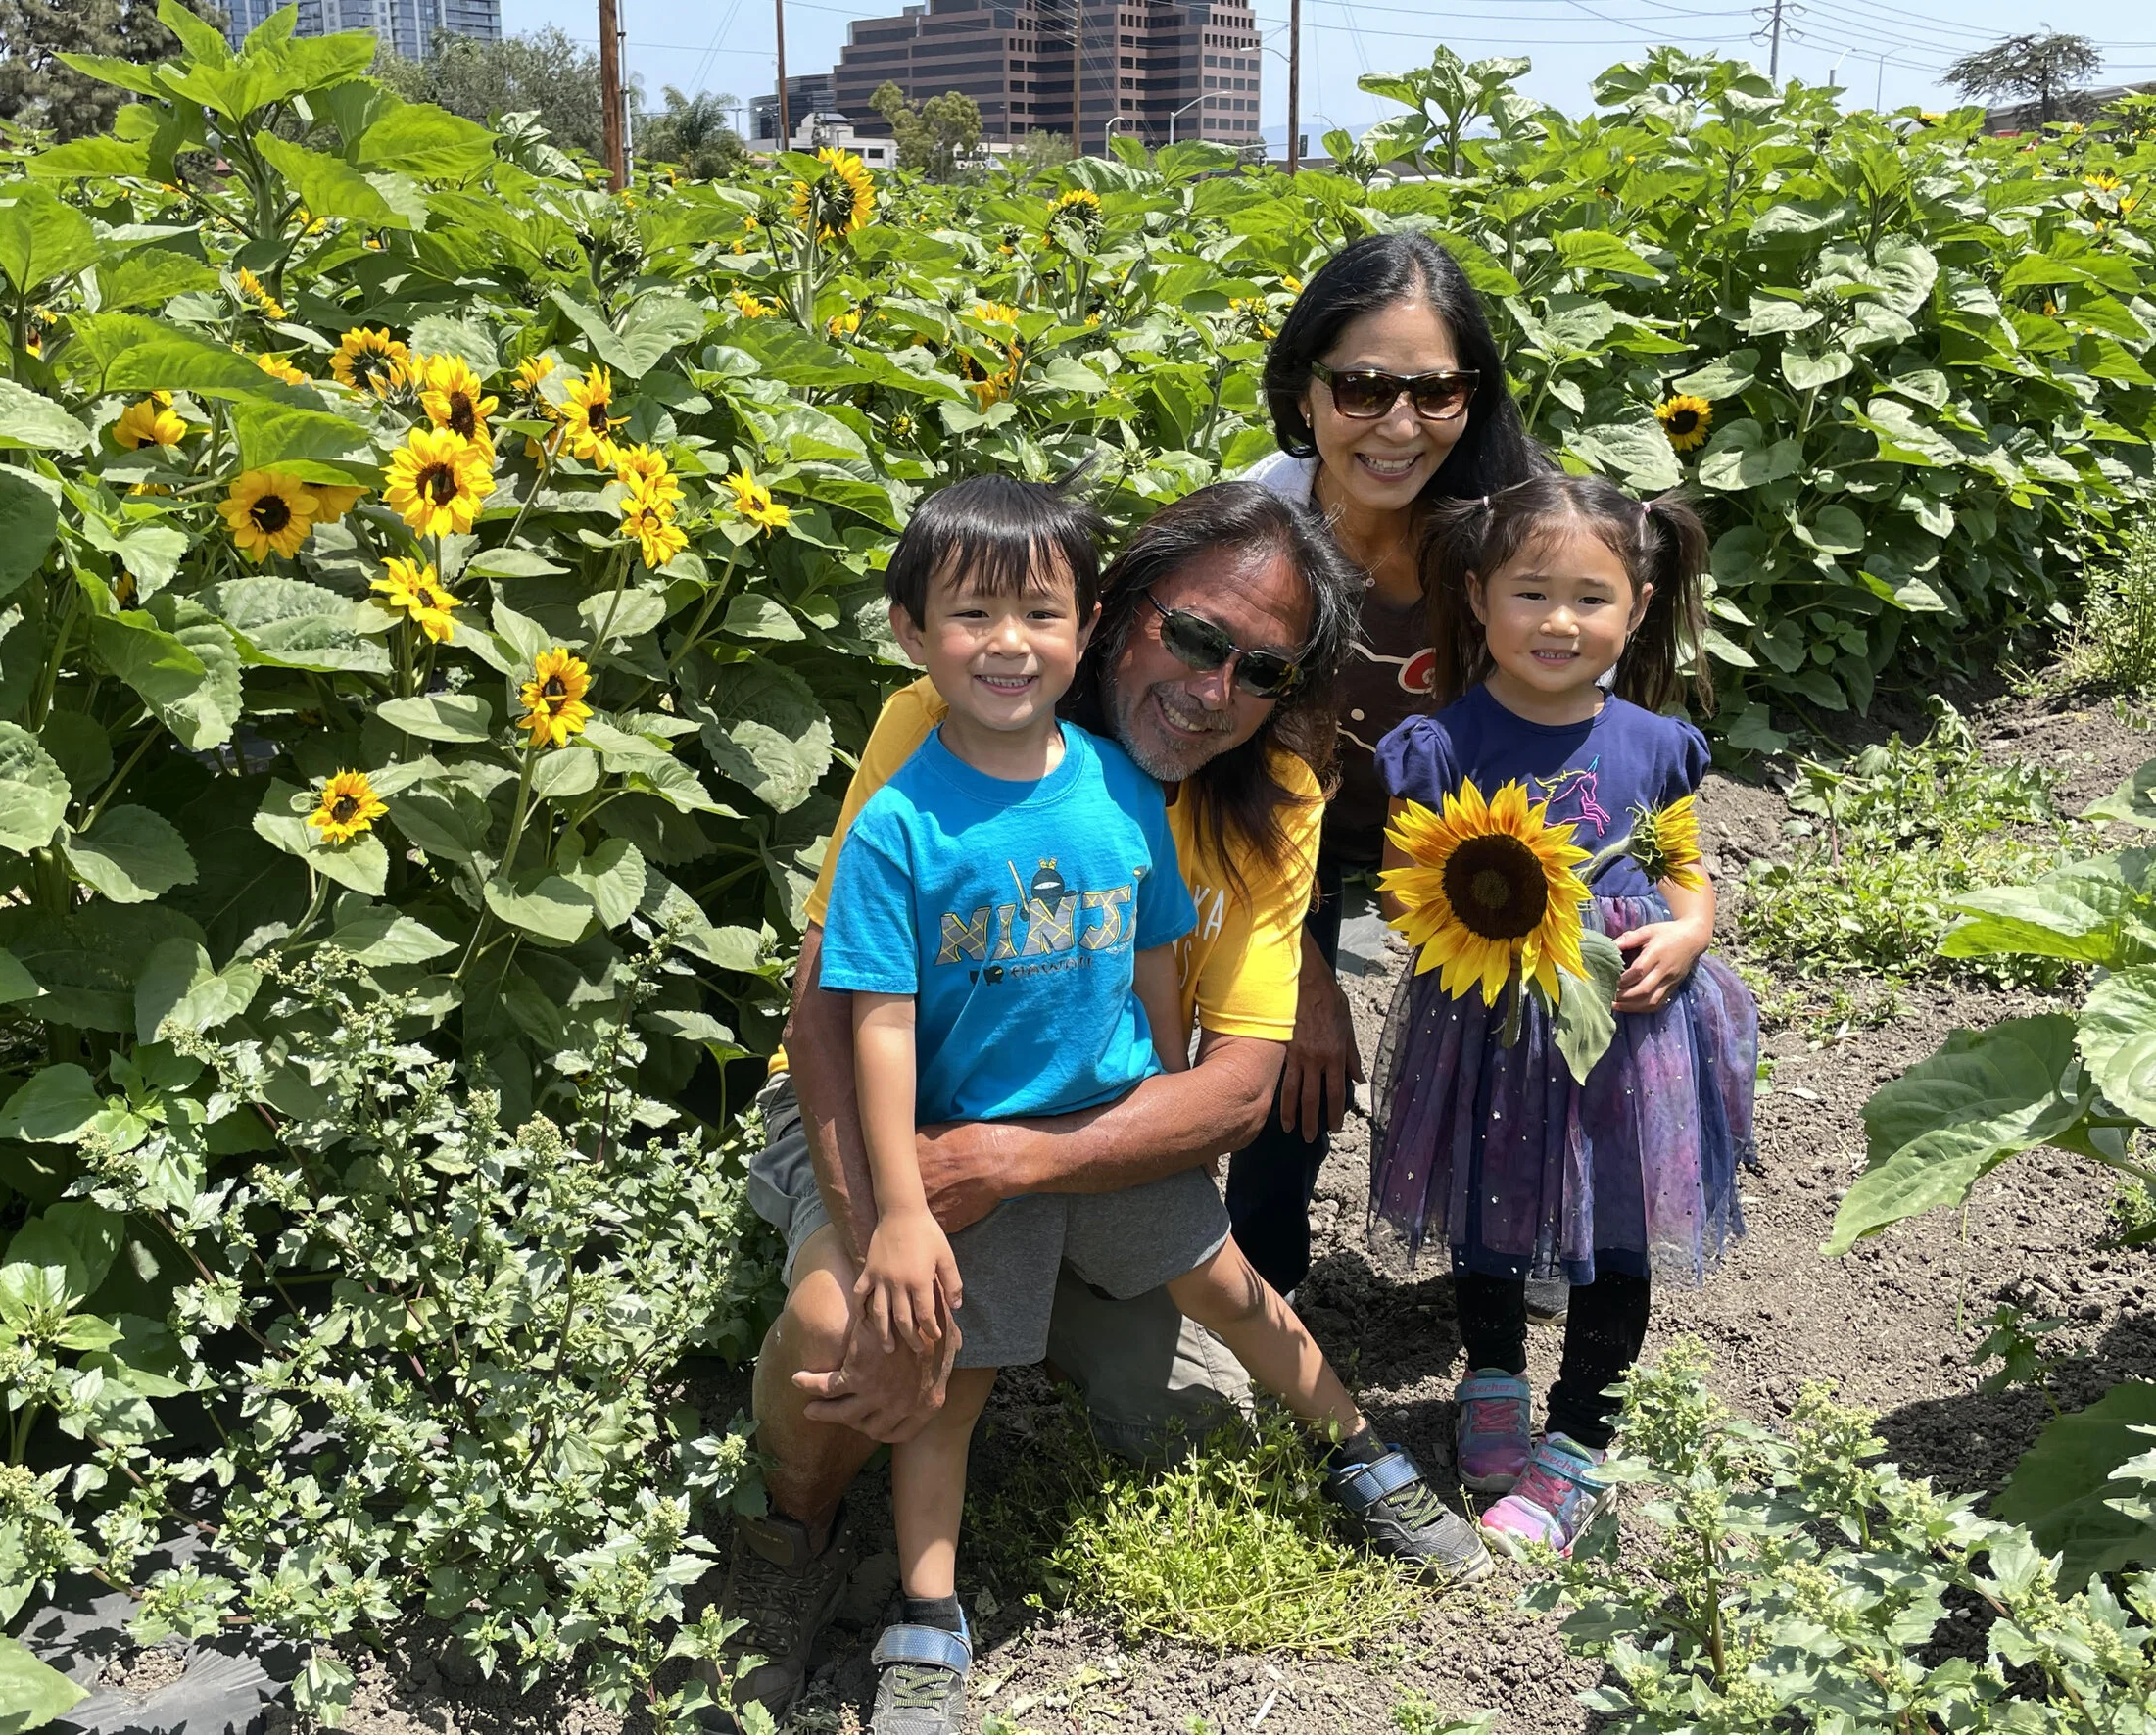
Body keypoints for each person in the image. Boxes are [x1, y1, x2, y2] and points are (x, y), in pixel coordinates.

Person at [711, 481, 1469, 1728]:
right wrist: (893, 1217)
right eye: (1197, 638)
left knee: (1176, 1401)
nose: (1217, 688)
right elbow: (838, 1016)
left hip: (1080, 1140)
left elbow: (1215, 1073)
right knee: (881, 1339)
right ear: (1120, 617)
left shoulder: (1238, 794)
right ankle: (800, 1545)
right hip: (914, 1123)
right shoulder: (933, 742)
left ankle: (1358, 1451)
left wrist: (1025, 1159)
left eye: (1264, 669)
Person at [1366, 470, 1759, 1558]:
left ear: (1637, 607)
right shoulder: (1441, 746)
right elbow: (1413, 883)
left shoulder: (1651, 743)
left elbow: (1683, 866)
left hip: (1626, 1025)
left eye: (1591, 597)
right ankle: (1492, 1379)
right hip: (1486, 1019)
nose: (1558, 622)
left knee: (1616, 1223)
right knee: (1486, 1194)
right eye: (1531, 593)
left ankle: (1581, 1431)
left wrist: (1687, 933)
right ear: (1480, 596)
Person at [1239, 231, 1540, 1302]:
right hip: (1286, 811)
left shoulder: (1515, 532)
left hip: (1465, 805)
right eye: (1363, 387)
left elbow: (1573, 741)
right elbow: (1242, 780)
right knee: (1283, 1039)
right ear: (1304, 390)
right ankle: (1261, 1277)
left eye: (1435, 391)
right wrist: (1304, 978)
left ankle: (1523, 1232)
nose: (1399, 426)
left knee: (1523, 1007)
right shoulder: (1256, 531)